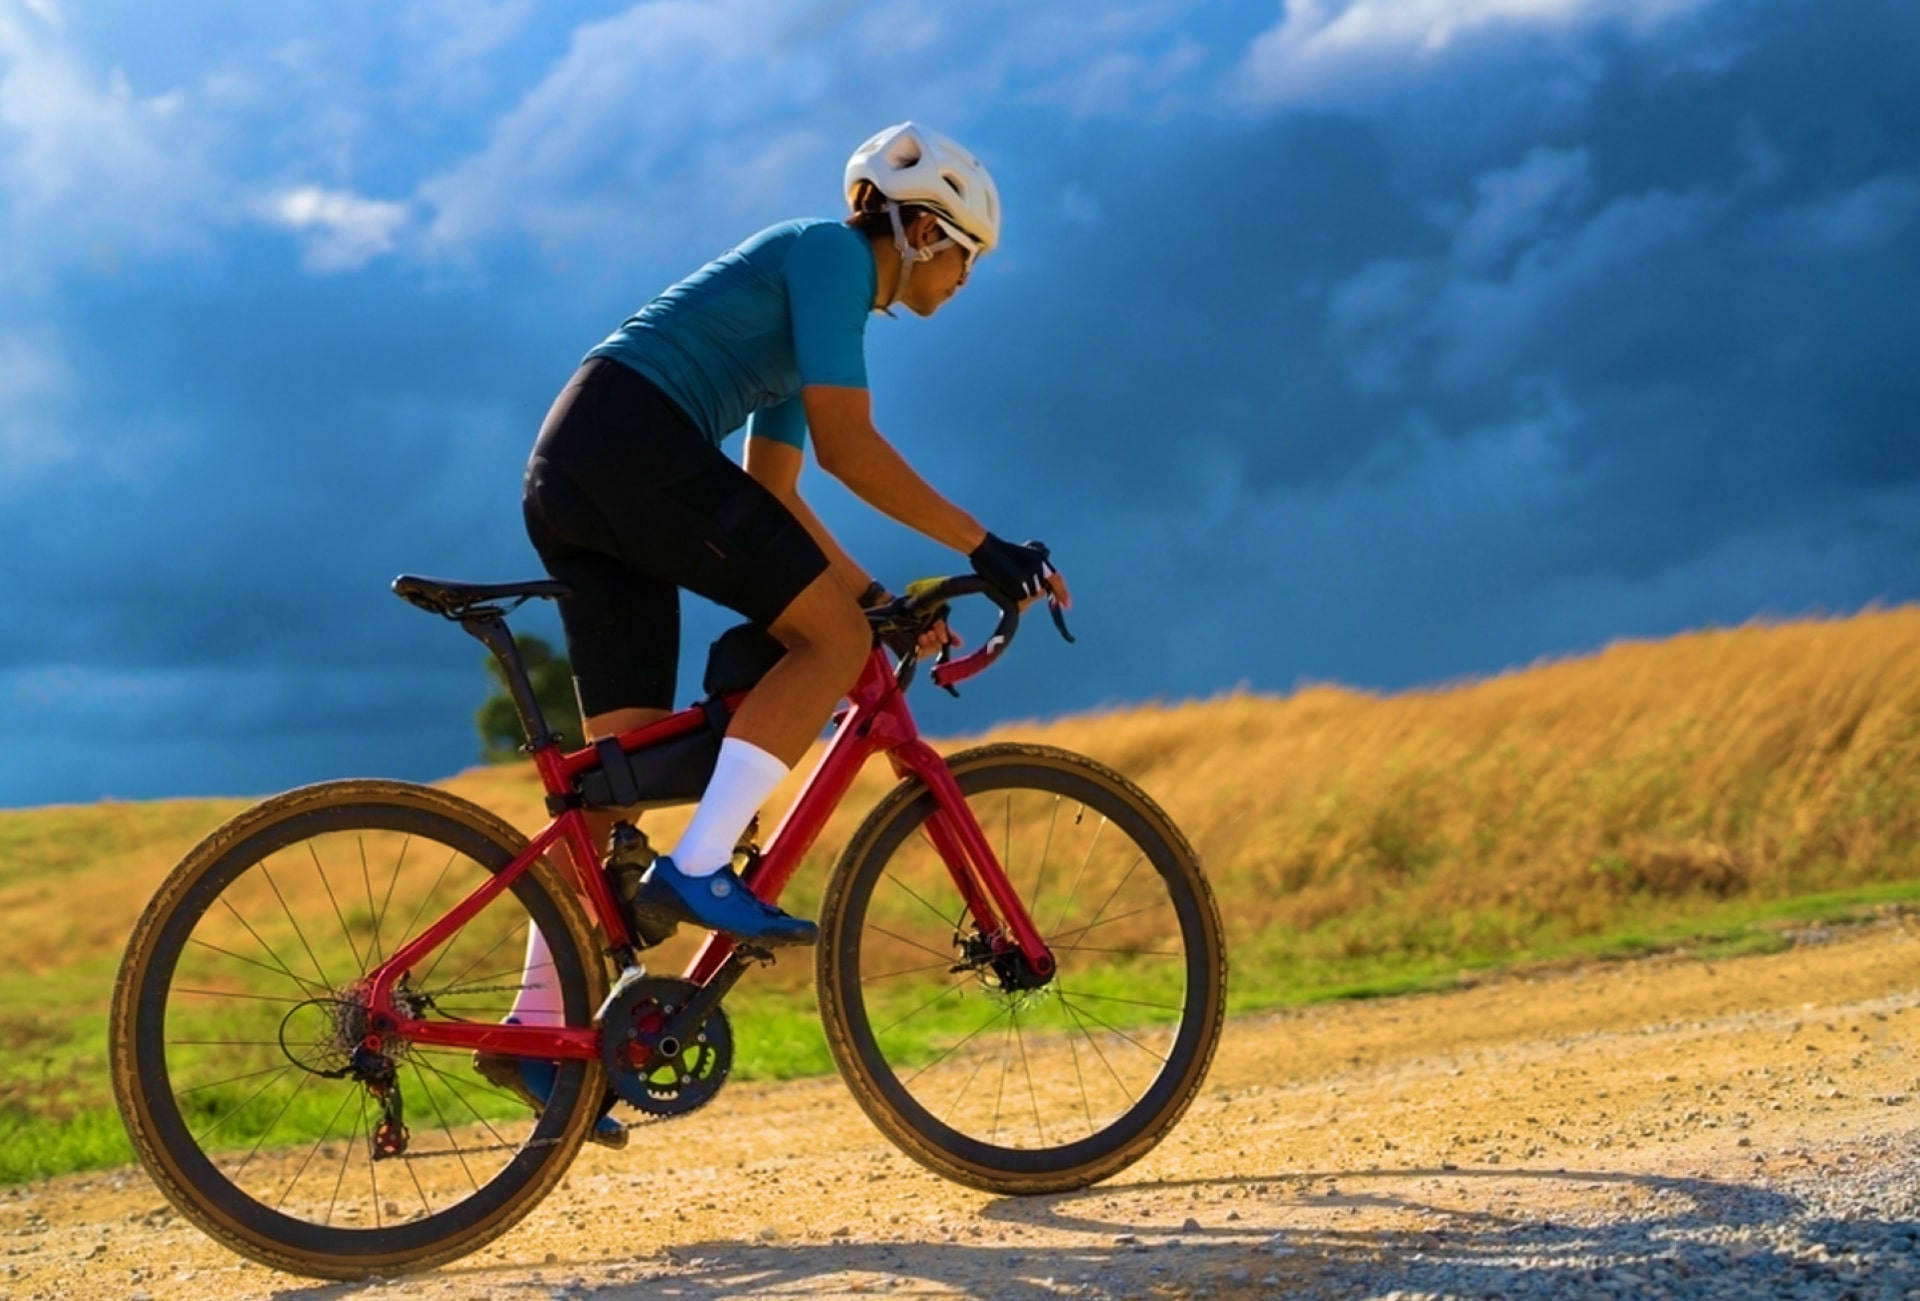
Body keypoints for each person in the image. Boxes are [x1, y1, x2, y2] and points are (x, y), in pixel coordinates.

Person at [475, 123, 1070, 1142]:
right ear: (925, 230)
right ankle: (702, 865)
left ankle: (533, 1032)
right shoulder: (830, 255)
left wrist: (876, 595)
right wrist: (985, 545)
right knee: (830, 646)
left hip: (578, 466)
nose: (967, 278)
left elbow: (777, 491)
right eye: (968, 254)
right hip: (629, 445)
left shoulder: (812, 312)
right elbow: (850, 448)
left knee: (615, 784)